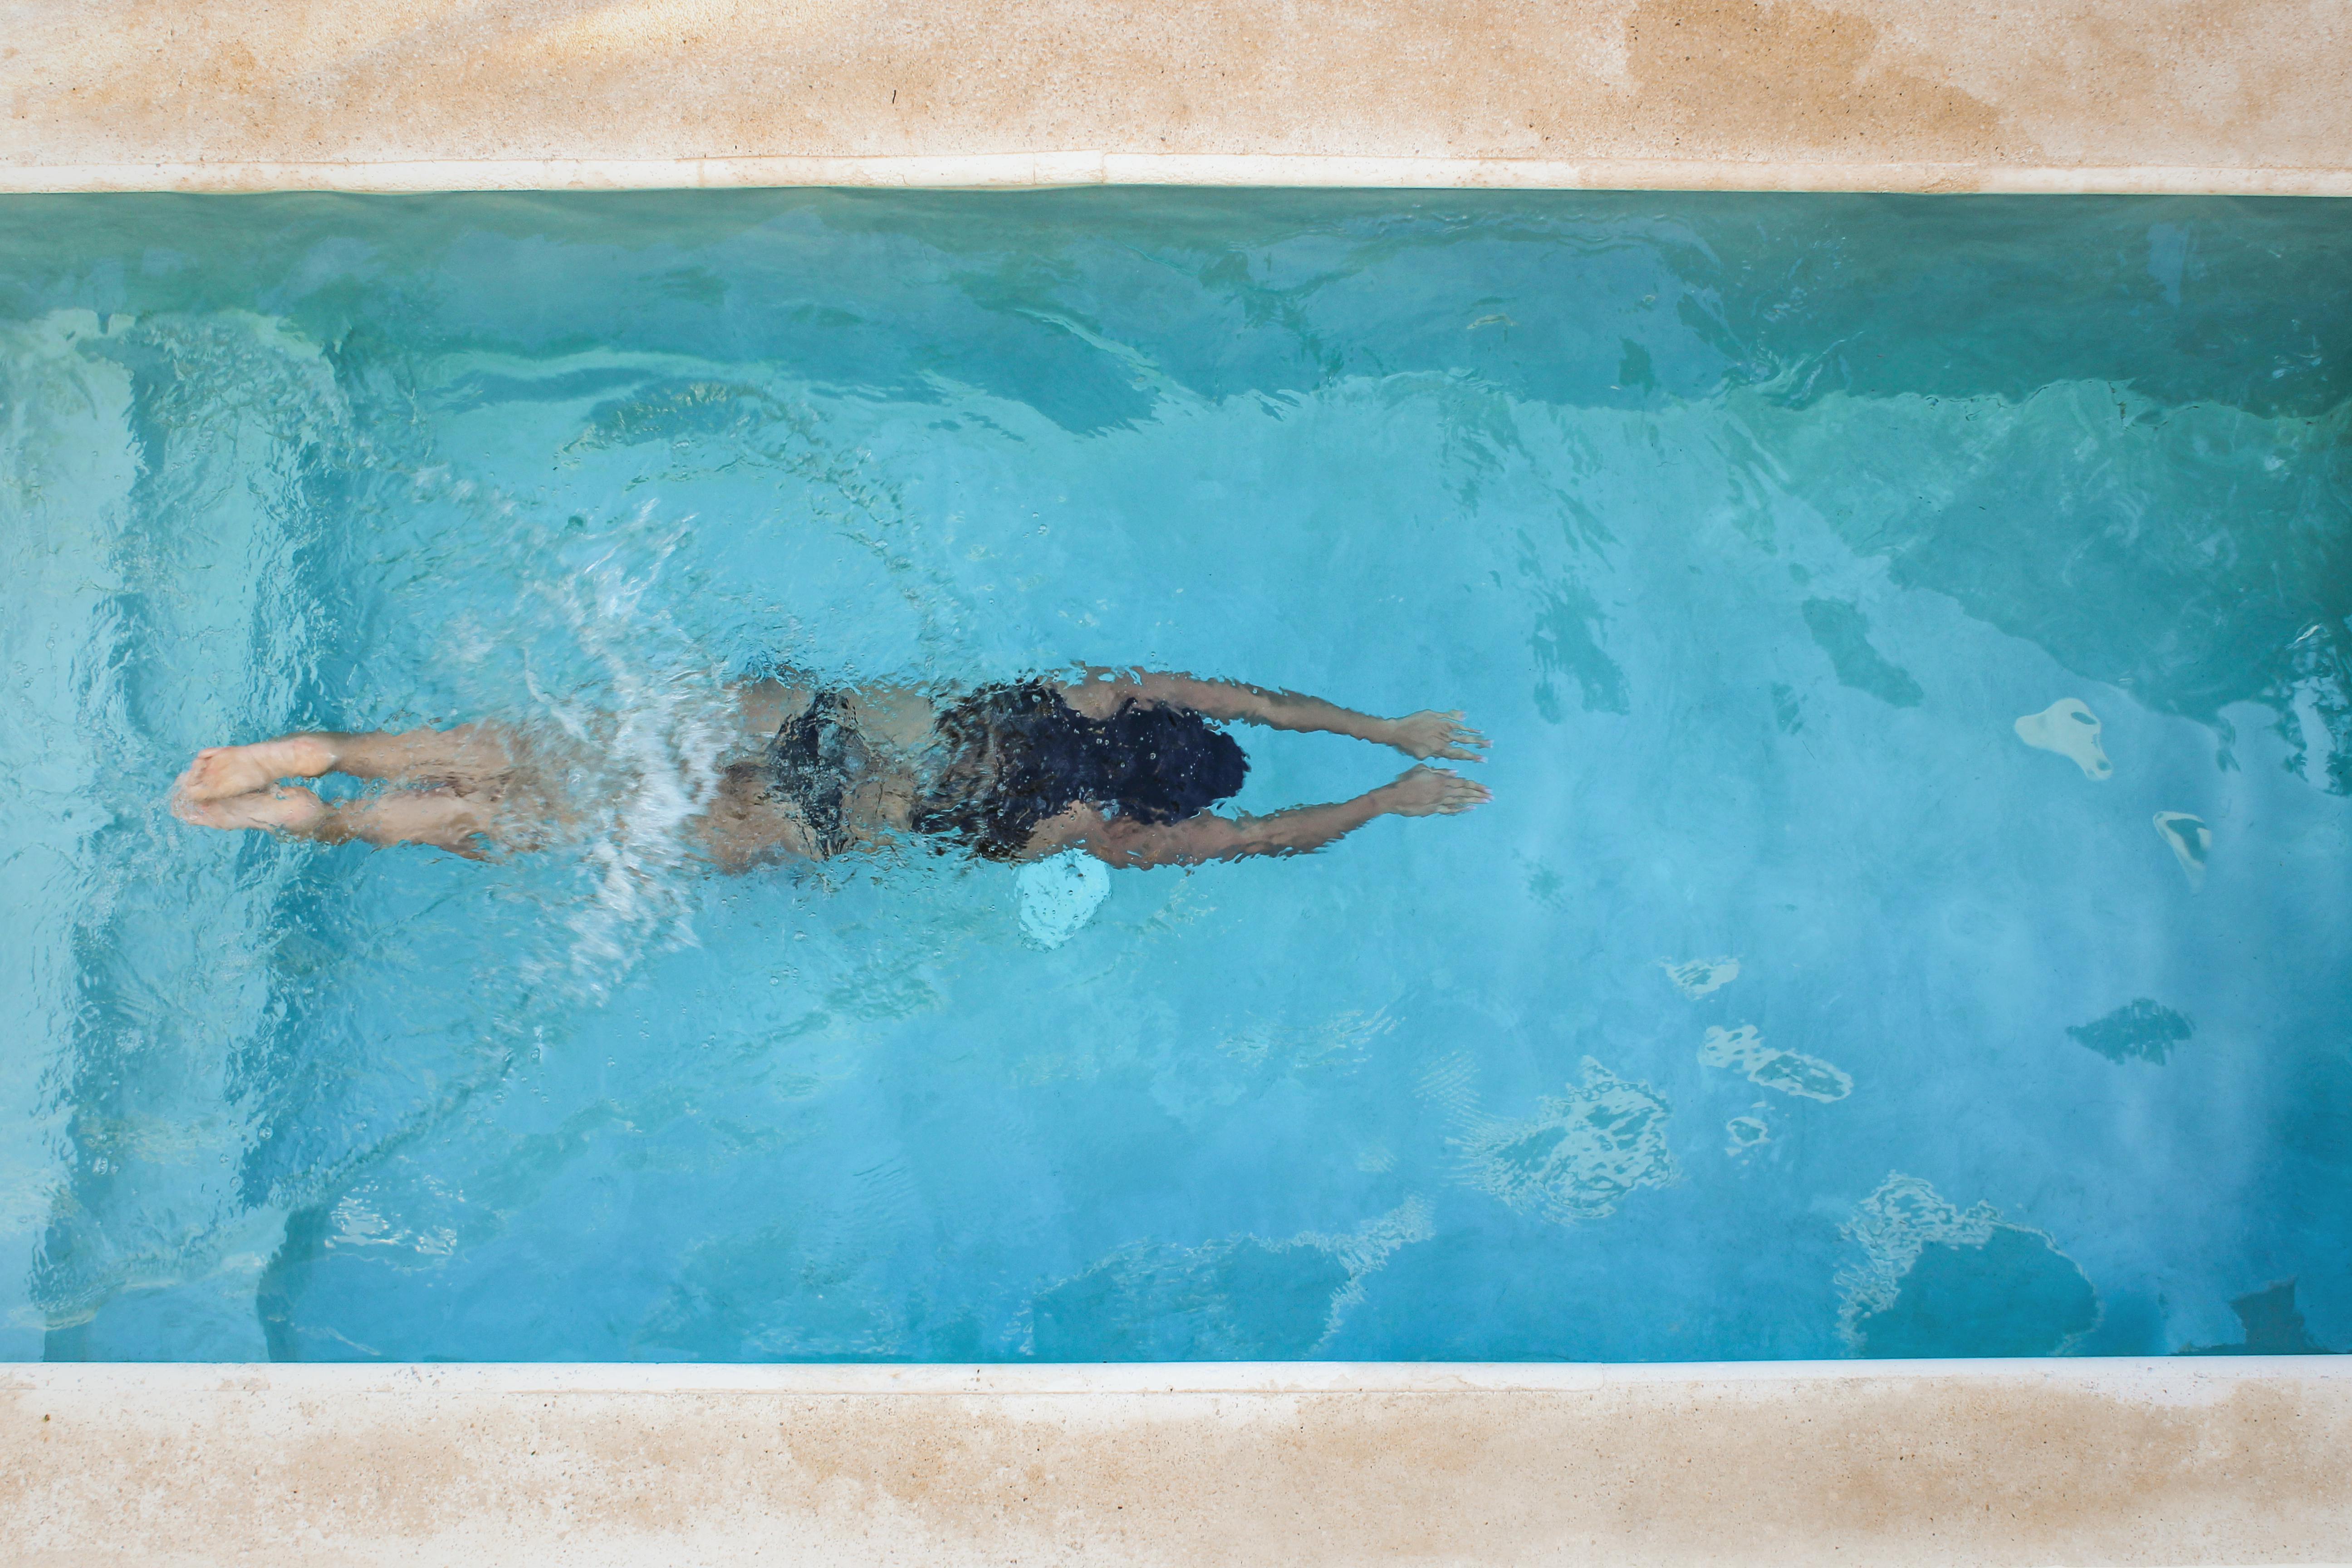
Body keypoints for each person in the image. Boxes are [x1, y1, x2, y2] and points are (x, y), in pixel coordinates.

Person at [171, 668, 1490, 870]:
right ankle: (334, 825)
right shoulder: (1096, 828)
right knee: (585, 826)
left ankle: (336, 753)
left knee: (564, 749)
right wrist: (1384, 803)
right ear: (1154, 792)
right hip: (828, 821)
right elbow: (1255, 843)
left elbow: (1242, 694)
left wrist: (1383, 734)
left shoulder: (1091, 687)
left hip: (809, 714)